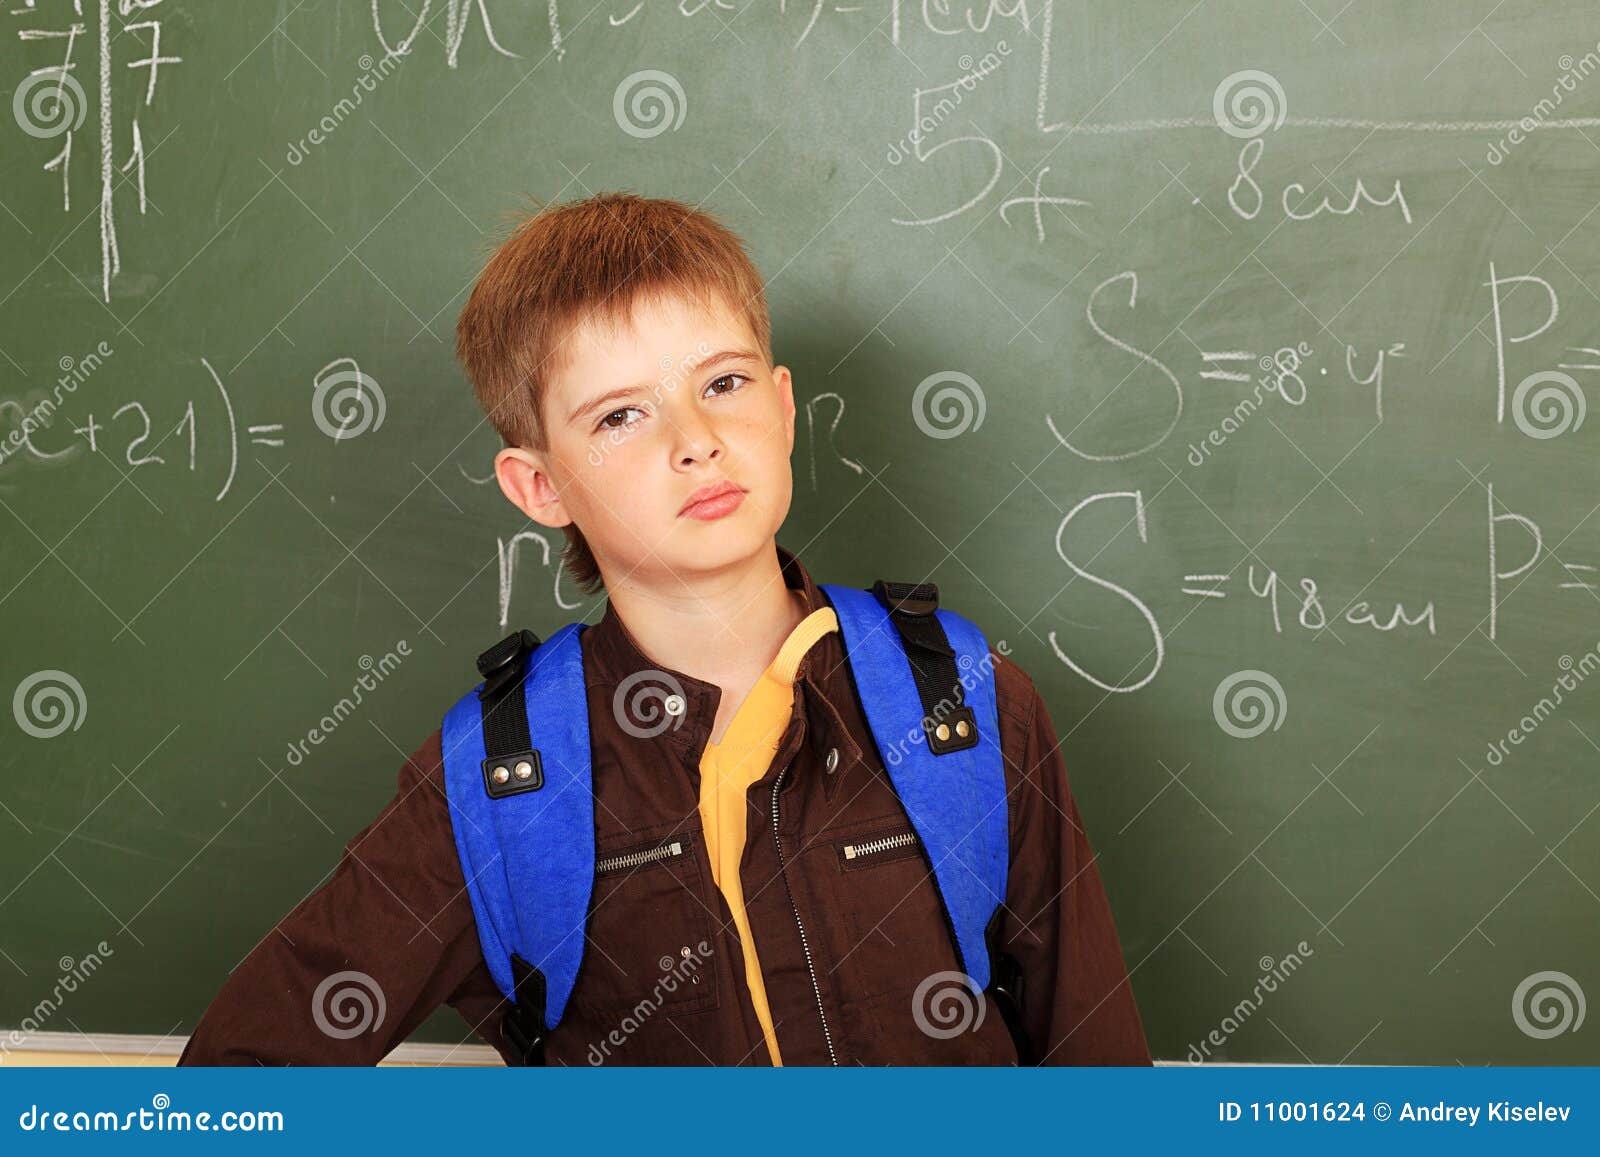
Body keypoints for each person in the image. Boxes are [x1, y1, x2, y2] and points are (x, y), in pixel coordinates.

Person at [179, 192, 1149, 1066]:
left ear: (779, 407)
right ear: (540, 485)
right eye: (619, 416)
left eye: (721, 384)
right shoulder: (496, 781)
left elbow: (1098, 1073)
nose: (694, 439)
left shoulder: (963, 706)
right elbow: (240, 1080)